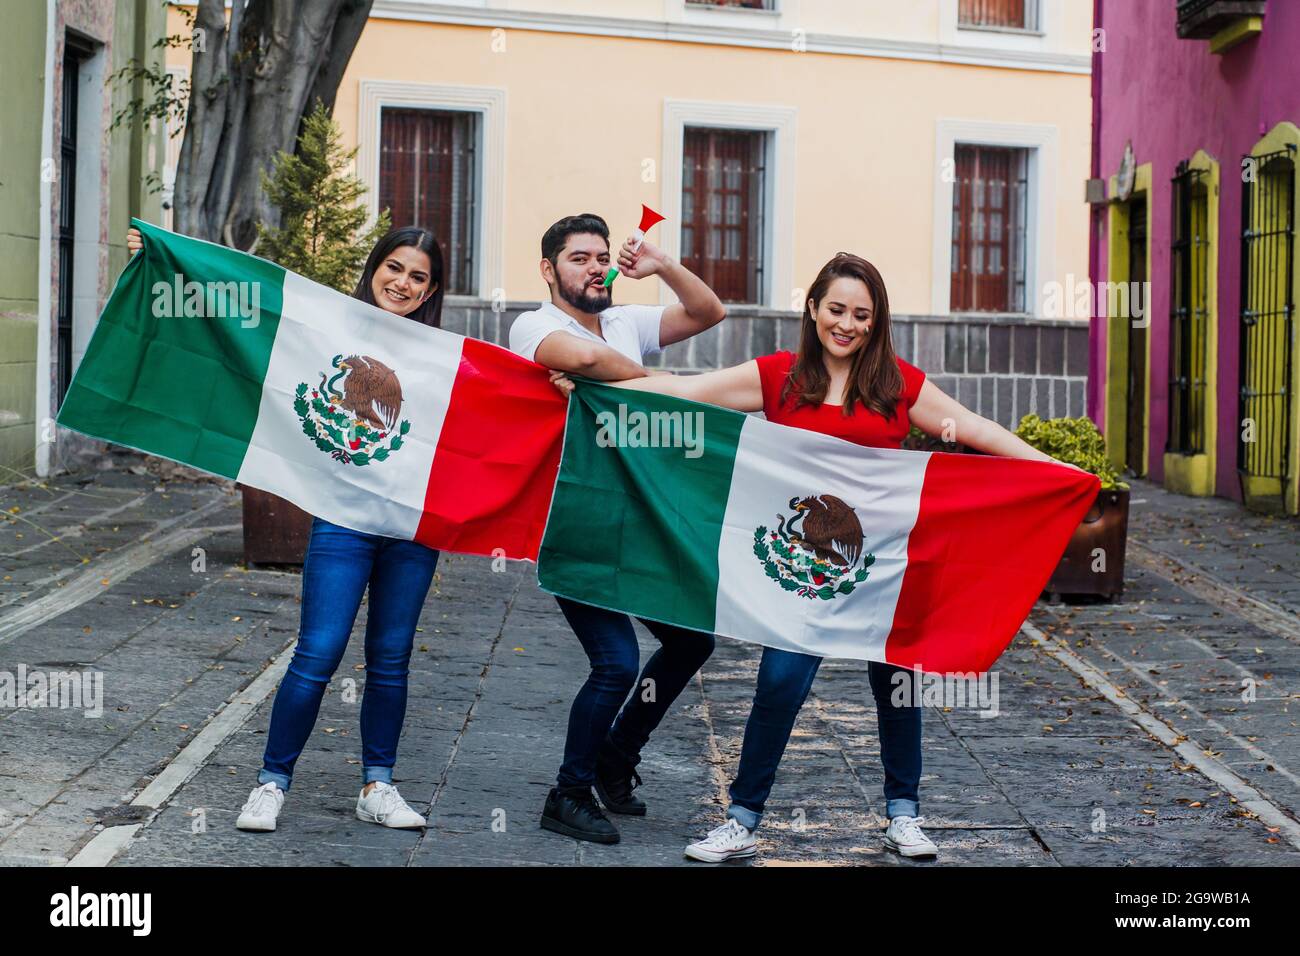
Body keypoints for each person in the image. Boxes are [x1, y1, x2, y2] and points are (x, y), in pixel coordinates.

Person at [556, 252, 1078, 862]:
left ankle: (904, 815)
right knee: (779, 684)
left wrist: (1052, 469)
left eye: (862, 314)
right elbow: (682, 390)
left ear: (875, 320)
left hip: (882, 568)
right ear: (813, 309)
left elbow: (971, 427)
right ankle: (743, 820)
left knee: (897, 687)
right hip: (804, 574)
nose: (847, 324)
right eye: (837, 310)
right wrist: (595, 385)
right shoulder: (780, 375)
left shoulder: (897, 386)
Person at [126, 225, 447, 832]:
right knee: (317, 653)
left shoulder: (446, 355)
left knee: (391, 659)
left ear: (431, 289)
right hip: (344, 524)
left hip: (411, 531)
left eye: (418, 276)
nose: (403, 283)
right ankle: (271, 783)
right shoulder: (326, 325)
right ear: (374, 267)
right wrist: (167, 262)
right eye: (395, 267)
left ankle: (378, 786)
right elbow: (240, 307)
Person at [509, 212, 727, 844]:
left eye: (602, 257)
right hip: (575, 517)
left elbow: (710, 312)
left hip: (641, 516)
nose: (596, 267)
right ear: (549, 270)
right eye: (580, 258)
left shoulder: (627, 322)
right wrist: (667, 387)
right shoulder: (534, 323)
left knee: (691, 642)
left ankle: (615, 756)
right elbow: (573, 354)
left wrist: (661, 266)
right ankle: (568, 793)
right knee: (615, 661)